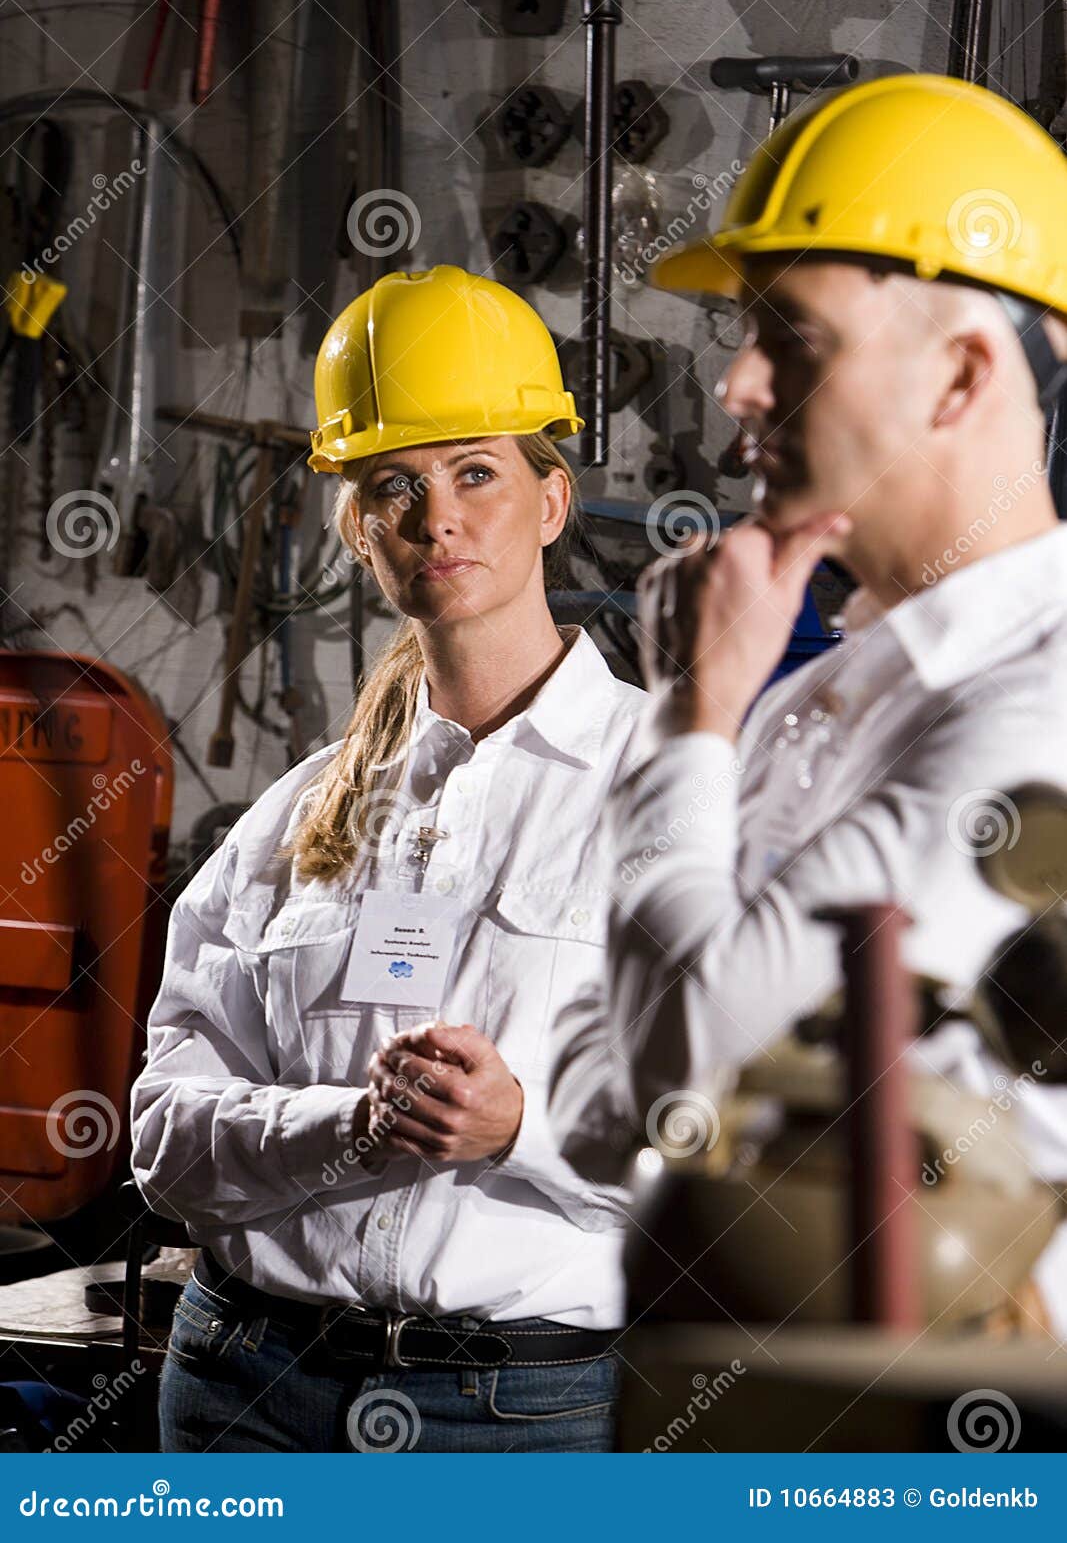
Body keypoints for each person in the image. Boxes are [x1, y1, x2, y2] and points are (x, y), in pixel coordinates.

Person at [549, 73, 1067, 1333]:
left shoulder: (1038, 705)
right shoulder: (822, 686)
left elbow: (681, 1069)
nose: (735, 385)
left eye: (789, 336)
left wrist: (684, 719)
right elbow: (579, 1065)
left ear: (956, 377)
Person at [130, 265, 647, 1453]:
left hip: (509, 1414)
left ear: (552, 502)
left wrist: (525, 1123)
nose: (438, 517)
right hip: (244, 1384)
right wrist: (347, 1130)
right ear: (358, 530)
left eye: (477, 472)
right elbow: (162, 1136)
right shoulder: (292, 821)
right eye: (392, 486)